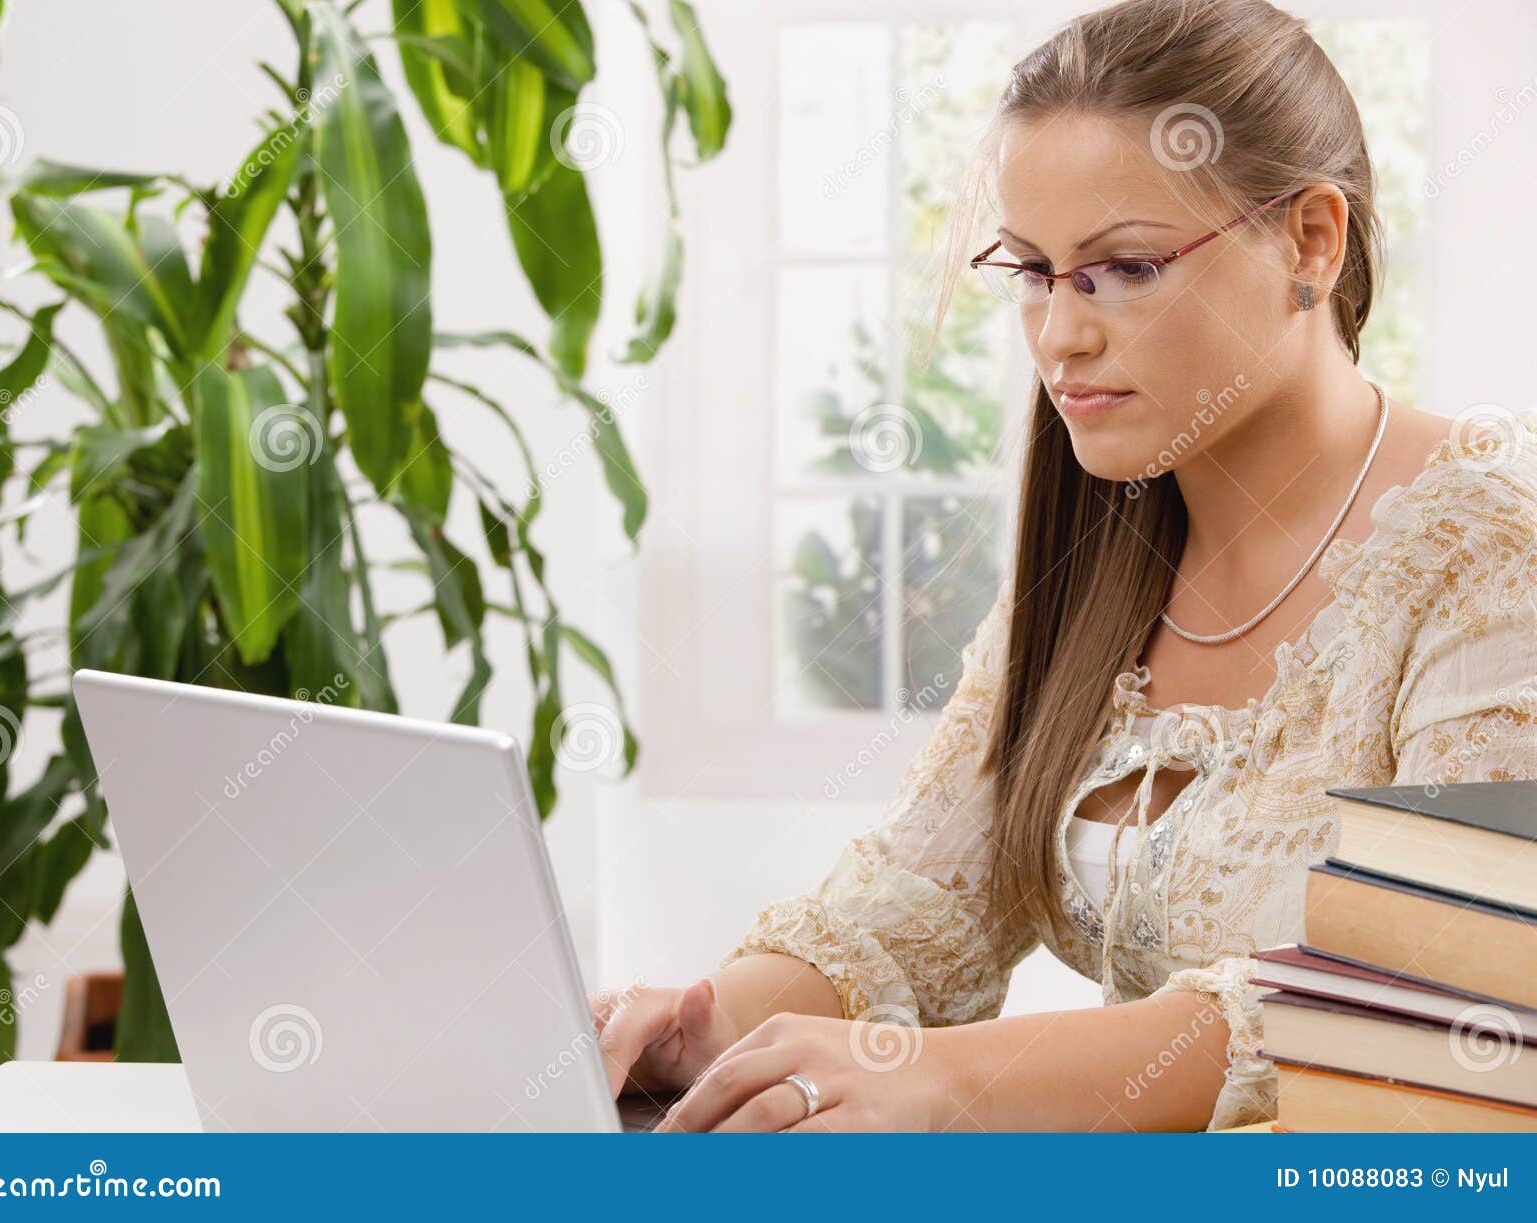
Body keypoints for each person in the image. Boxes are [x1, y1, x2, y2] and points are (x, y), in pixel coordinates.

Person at [592, 0, 1537, 1132]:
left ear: (1311, 240)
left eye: (1124, 268)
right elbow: (917, 896)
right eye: (1033, 271)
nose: (1059, 336)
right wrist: (712, 1022)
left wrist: (952, 1075)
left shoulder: (1494, 548)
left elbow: (1441, 997)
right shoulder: (1103, 555)